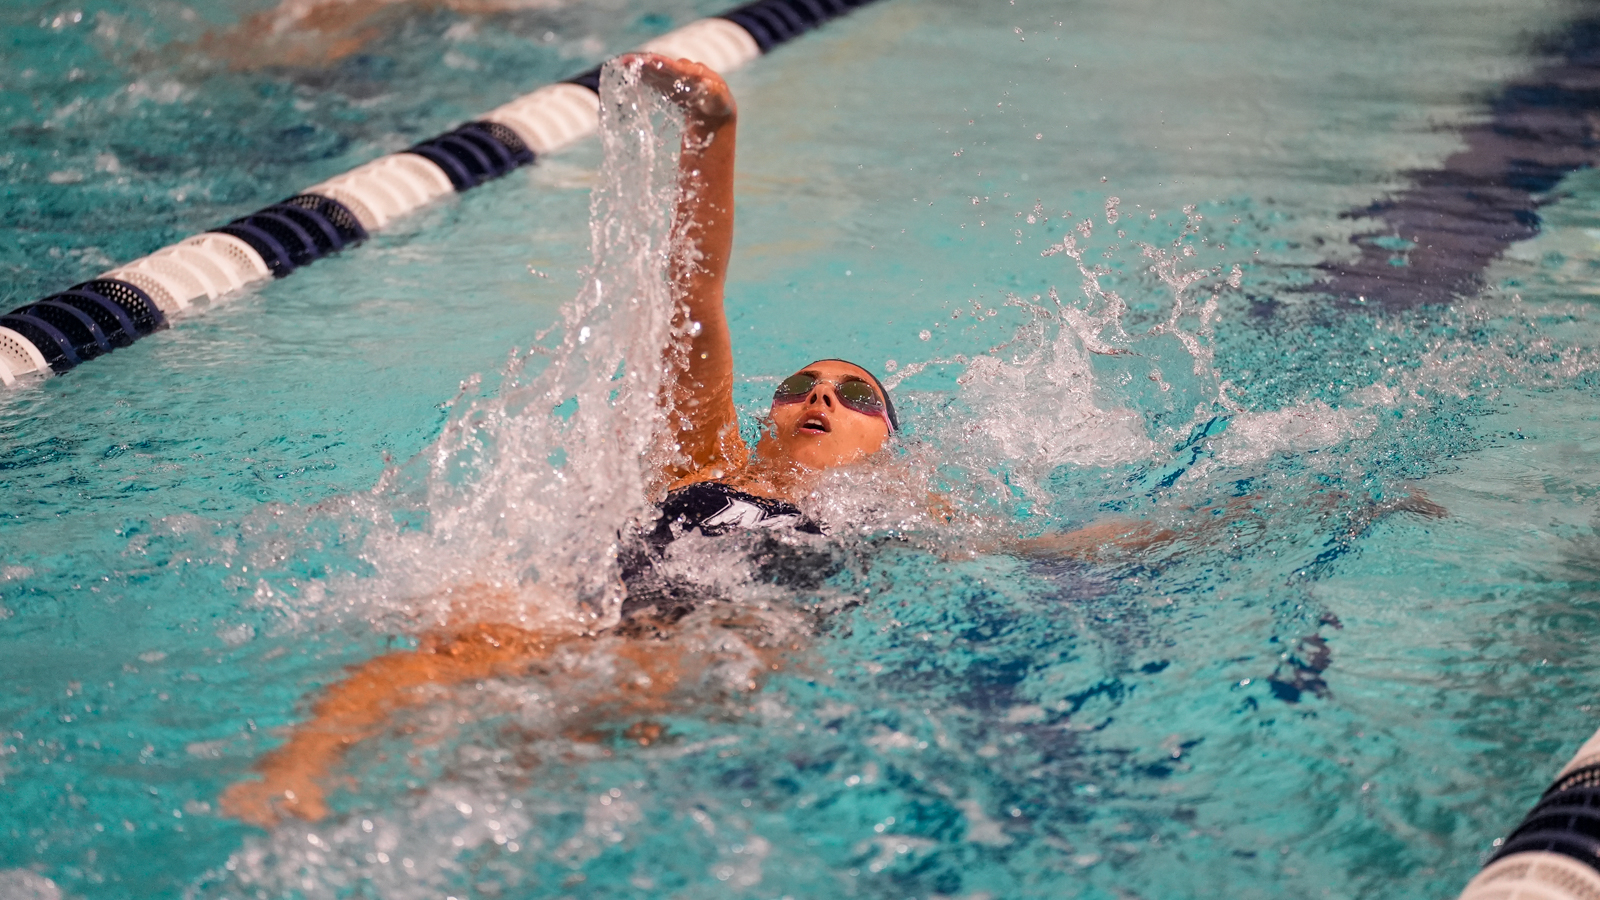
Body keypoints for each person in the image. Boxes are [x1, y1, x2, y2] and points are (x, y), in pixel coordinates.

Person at [219, 54, 1436, 827]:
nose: (820, 396)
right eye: (803, 383)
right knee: (467, 625)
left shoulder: (904, 513)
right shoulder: (696, 460)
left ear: (889, 444)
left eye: (855, 395)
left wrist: (1307, 512)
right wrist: (710, 129)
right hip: (608, 606)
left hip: (740, 655)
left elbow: (1084, 544)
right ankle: (301, 770)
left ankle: (464, 812)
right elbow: (694, 300)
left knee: (647, 688)